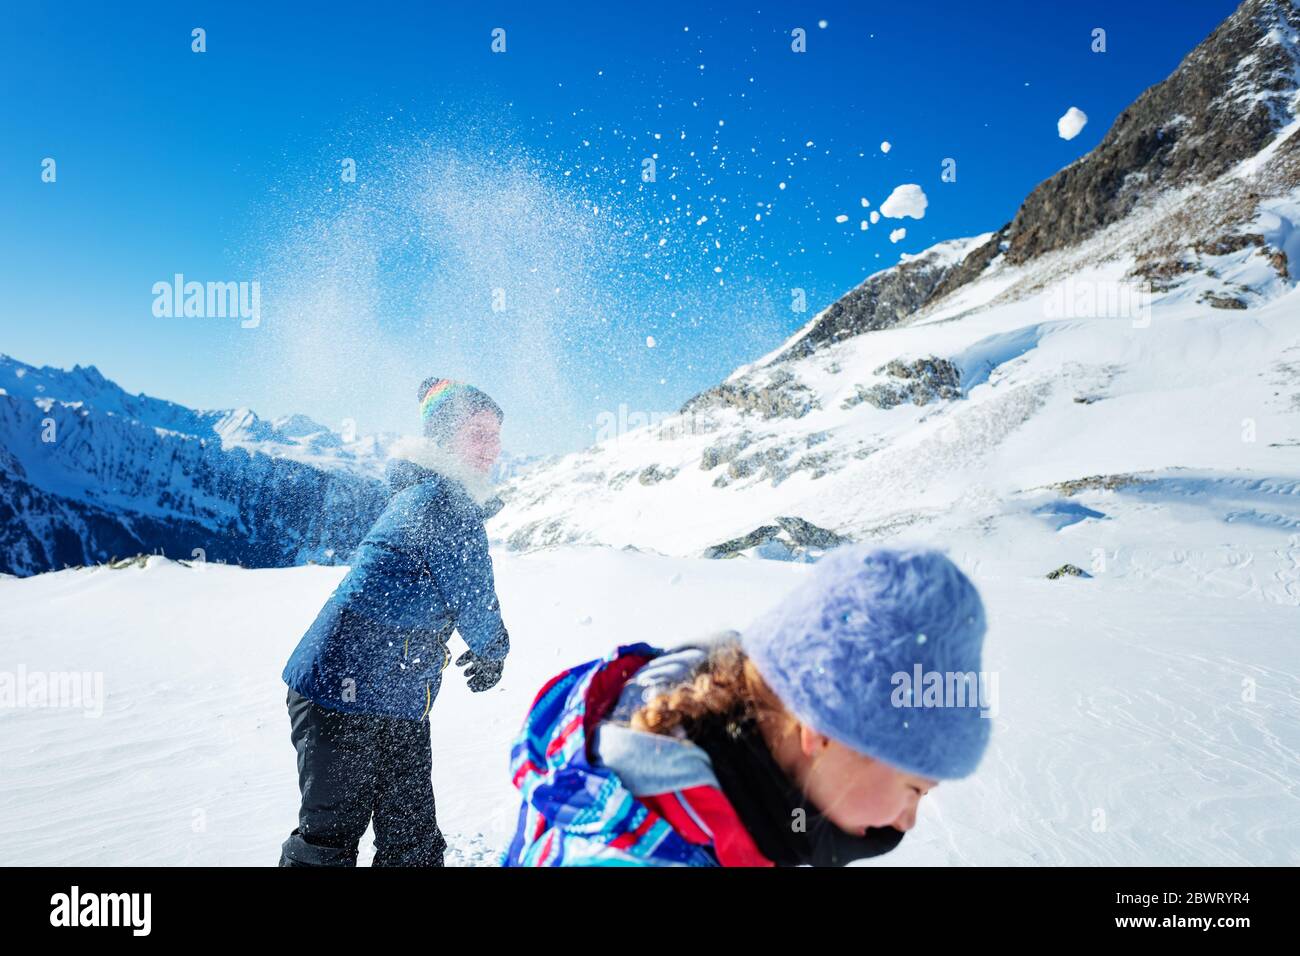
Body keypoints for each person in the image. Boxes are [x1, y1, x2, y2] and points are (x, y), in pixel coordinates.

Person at [504, 546, 991, 866]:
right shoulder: (632, 856)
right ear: (821, 731)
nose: (908, 820)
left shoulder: (715, 745)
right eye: (915, 789)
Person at [279, 377, 511, 867]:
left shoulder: (435, 495)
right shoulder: (444, 505)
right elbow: (473, 594)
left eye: (496, 433)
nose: (492, 447)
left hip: (396, 698)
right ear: (446, 438)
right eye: (478, 433)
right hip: (338, 690)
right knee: (328, 843)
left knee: (412, 844)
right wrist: (494, 651)